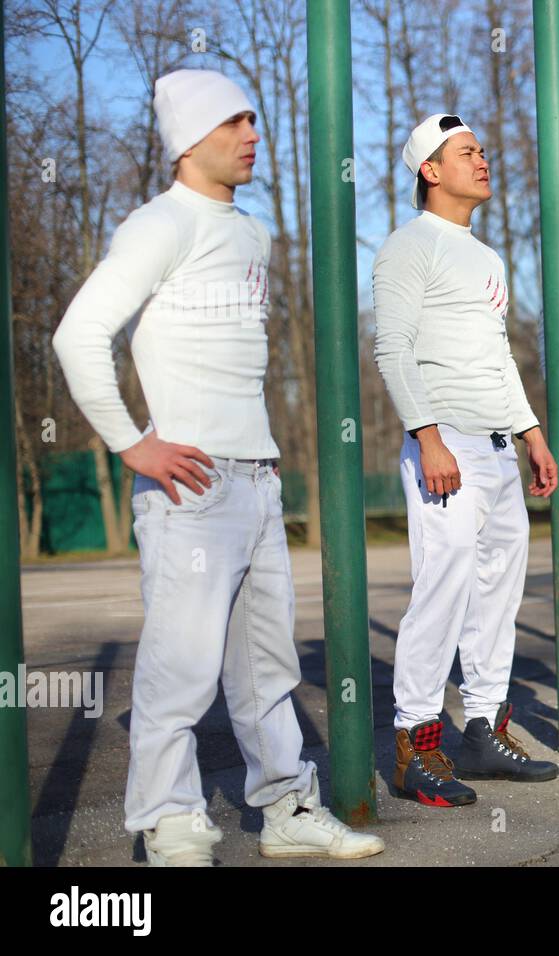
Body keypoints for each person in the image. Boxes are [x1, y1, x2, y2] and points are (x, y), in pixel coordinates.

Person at [52, 69, 384, 865]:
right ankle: (169, 825)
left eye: (254, 120)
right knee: (181, 670)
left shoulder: (251, 231)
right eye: (233, 122)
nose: (251, 134)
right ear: (189, 139)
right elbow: (78, 334)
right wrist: (133, 443)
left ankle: (287, 809)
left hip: (258, 479)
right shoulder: (159, 224)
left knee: (268, 668)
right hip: (188, 486)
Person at [373, 113, 559, 807]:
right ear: (430, 169)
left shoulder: (486, 256)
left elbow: (496, 355)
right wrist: (427, 436)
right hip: (444, 442)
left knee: (498, 597)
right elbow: (392, 349)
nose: (483, 160)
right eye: (467, 152)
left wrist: (531, 433)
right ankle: (416, 749)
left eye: (483, 149)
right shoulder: (406, 245)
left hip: (497, 447)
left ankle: (482, 731)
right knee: (442, 592)